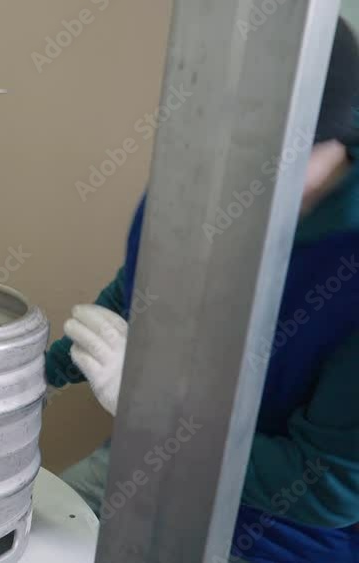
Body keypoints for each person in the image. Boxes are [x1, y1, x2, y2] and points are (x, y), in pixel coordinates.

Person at [46, 18, 359, 563]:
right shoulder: (204, 174)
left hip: (282, 531)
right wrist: (39, 374)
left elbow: (327, 488)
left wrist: (153, 412)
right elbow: (141, 287)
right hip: (148, 464)